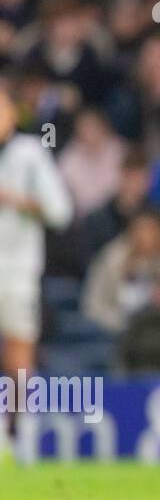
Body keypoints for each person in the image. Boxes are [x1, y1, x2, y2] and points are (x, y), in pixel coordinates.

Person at [0, 80, 74, 456]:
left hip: (16, 268)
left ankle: (21, 433)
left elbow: (60, 211)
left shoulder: (30, 153)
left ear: (13, 113)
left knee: (19, 353)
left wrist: (14, 199)